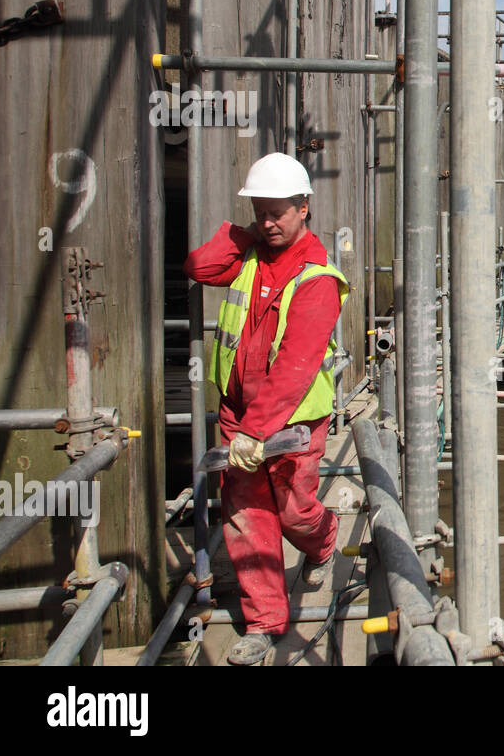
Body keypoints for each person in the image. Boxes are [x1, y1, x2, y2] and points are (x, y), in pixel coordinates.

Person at [184, 152, 348, 665]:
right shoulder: (251, 254)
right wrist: (244, 232)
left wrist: (256, 434)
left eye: (279, 211)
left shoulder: (318, 279)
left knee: (295, 509)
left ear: (306, 208)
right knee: (246, 515)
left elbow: (295, 369)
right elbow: (198, 266)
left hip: (294, 421)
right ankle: (264, 623)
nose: (269, 220)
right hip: (238, 413)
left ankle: (322, 543)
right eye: (261, 210)